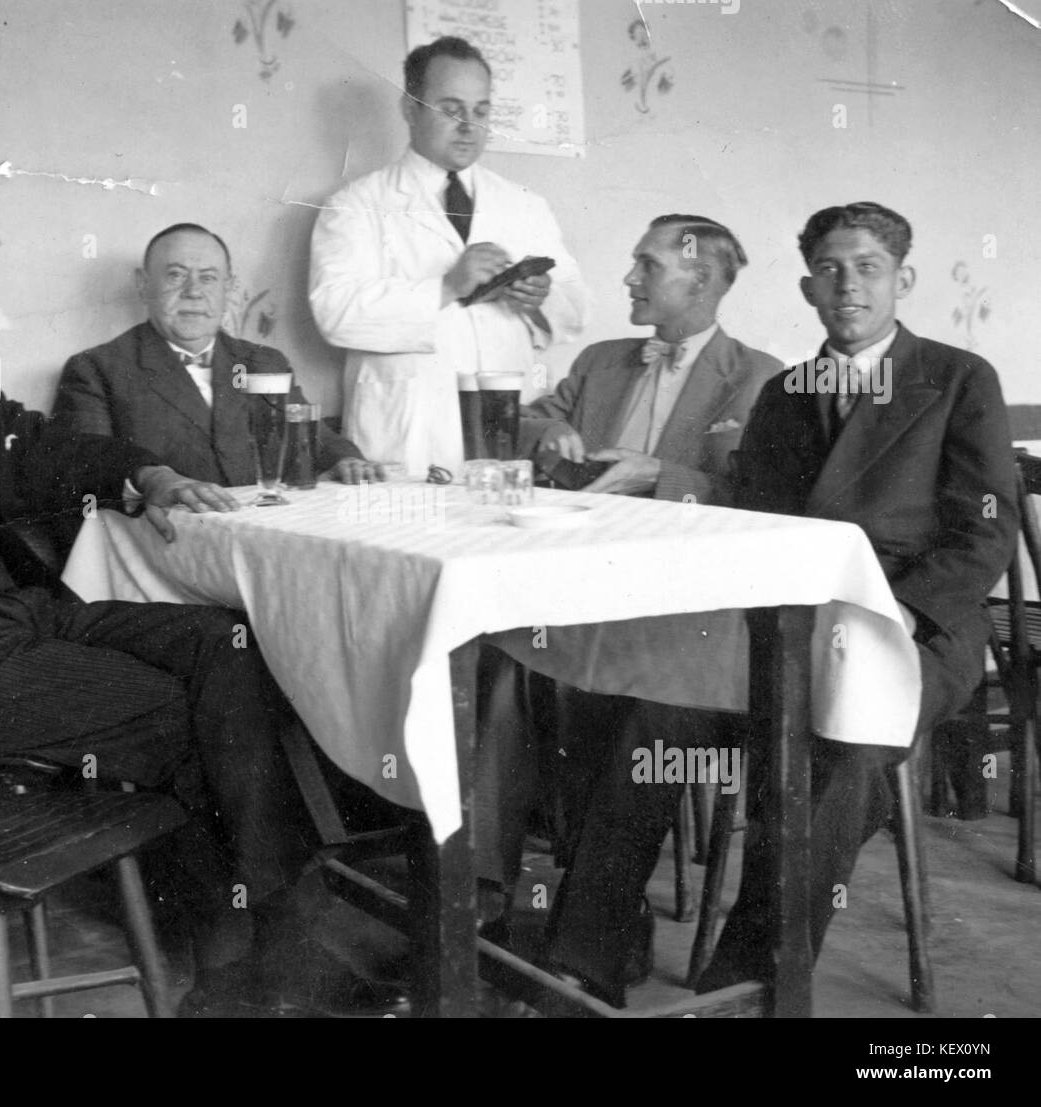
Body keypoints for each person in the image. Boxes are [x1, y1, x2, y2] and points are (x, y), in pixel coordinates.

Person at [0, 180, 403, 1018]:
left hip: (15, 616)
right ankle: (264, 958)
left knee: (224, 643)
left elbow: (58, 453)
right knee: (184, 709)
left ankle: (255, 948)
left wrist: (149, 473)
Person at [695, 202, 1019, 993]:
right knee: (650, 709)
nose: (849, 286)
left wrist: (900, 614)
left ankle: (754, 983)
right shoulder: (785, 393)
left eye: (868, 267)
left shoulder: (958, 378)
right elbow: (757, 528)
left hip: (915, 627)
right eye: (830, 270)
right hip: (795, 622)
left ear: (902, 279)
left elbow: (985, 531)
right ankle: (585, 952)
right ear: (808, 288)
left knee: (840, 746)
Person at [504, 216, 781, 1006]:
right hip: (590, 600)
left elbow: (757, 499)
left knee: (645, 718)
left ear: (701, 280)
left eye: (645, 266)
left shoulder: (756, 376)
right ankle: (524, 906)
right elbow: (529, 415)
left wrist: (659, 474)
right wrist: (553, 429)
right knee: (499, 660)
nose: (627, 279)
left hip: (697, 617)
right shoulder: (599, 361)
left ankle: (583, 953)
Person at [308, 35, 588, 477]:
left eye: (481, 111)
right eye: (451, 109)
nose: (468, 126)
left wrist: (540, 298)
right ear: (410, 108)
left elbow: (576, 309)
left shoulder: (524, 204)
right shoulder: (355, 205)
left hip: (500, 438)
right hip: (405, 435)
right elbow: (335, 314)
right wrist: (446, 288)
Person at [53, 222, 380, 514]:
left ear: (229, 289)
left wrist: (345, 460)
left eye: (208, 278)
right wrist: (154, 479)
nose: (194, 292)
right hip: (169, 546)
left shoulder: (265, 362)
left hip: (268, 530)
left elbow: (313, 437)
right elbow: (86, 469)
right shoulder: (96, 369)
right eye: (176, 275)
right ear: (143, 284)